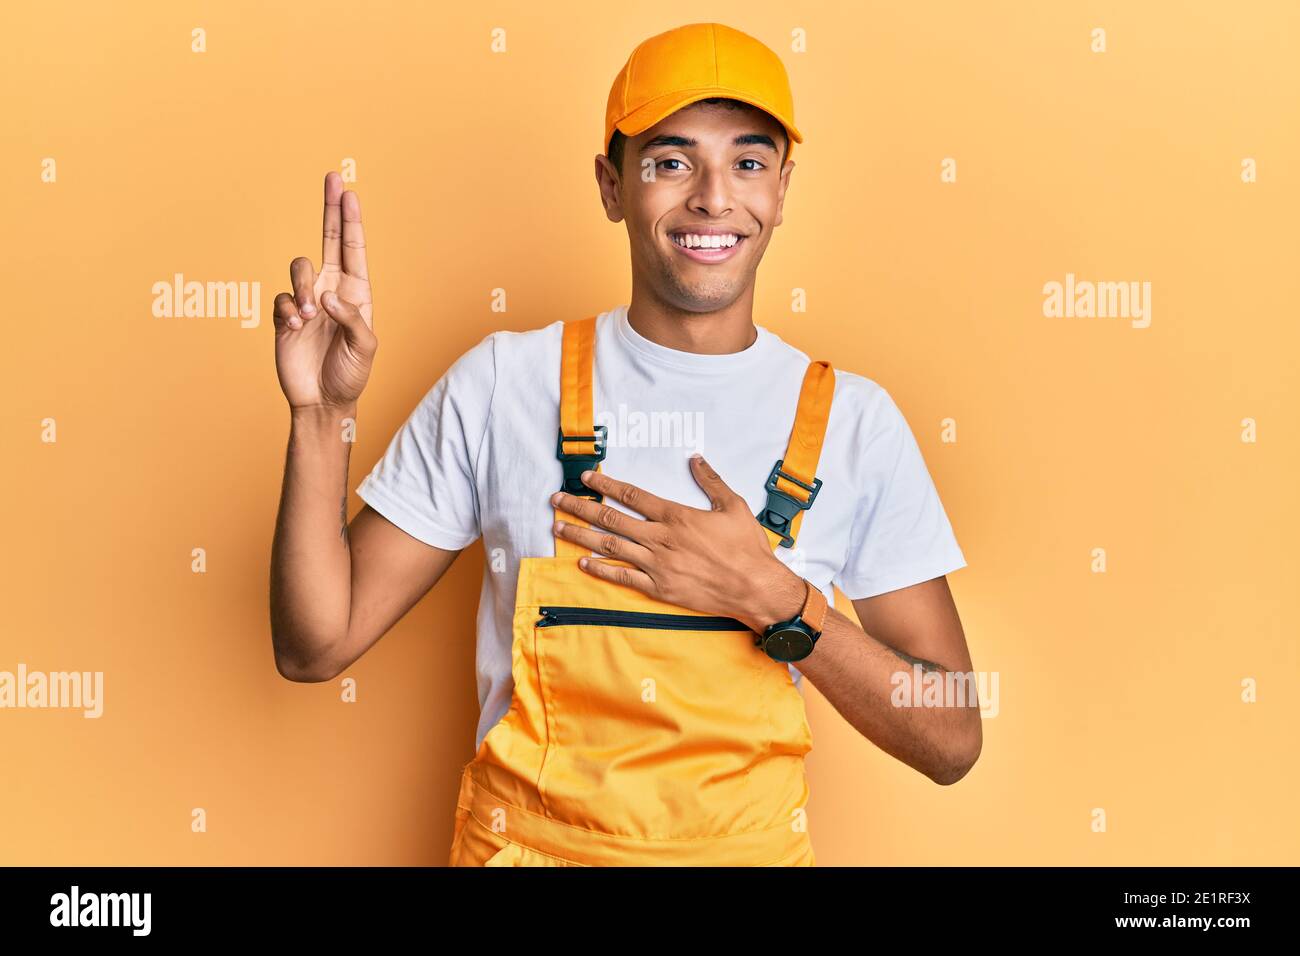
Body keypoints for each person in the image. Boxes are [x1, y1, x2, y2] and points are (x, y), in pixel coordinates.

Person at [269, 22, 980, 867]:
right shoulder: (503, 385)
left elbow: (953, 737)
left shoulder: (855, 424)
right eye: (671, 161)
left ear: (782, 190)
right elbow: (314, 645)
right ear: (612, 184)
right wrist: (321, 416)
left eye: (748, 162)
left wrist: (778, 600)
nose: (714, 197)